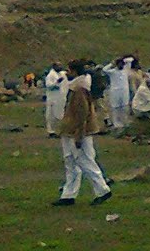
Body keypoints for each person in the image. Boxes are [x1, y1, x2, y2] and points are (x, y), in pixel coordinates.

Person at [54, 61, 112, 206]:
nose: (66, 73)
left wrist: (79, 134)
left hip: (77, 131)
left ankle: (102, 189)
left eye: (69, 70)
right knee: (70, 161)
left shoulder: (79, 89)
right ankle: (68, 194)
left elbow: (82, 114)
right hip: (71, 130)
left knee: (83, 159)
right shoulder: (78, 86)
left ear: (75, 72)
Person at [103, 59, 132, 133]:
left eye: (122, 64)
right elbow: (104, 69)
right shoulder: (112, 72)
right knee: (115, 107)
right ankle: (116, 124)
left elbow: (130, 60)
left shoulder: (126, 70)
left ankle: (125, 122)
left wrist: (124, 60)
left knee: (125, 107)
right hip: (115, 92)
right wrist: (111, 64)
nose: (121, 65)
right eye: (119, 64)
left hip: (124, 91)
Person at [43, 63, 68, 137]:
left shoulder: (62, 73)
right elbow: (49, 86)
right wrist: (57, 83)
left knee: (60, 114)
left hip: (61, 97)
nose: (60, 67)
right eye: (58, 66)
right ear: (54, 67)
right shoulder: (50, 75)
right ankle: (51, 131)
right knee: (51, 115)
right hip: (53, 98)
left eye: (61, 65)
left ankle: (60, 130)